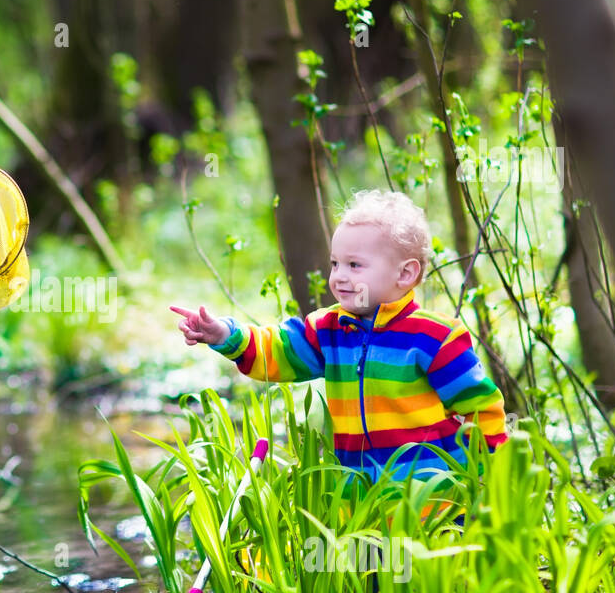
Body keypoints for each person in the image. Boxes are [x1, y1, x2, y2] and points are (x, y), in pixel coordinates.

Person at [171, 188, 508, 506]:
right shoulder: (328, 329)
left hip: (429, 499)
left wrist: (488, 477)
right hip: (357, 498)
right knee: (369, 566)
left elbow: (481, 407)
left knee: (421, 566)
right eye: (335, 264)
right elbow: (280, 352)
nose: (339, 276)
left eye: (354, 265)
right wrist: (225, 336)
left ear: (404, 274)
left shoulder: (435, 337)